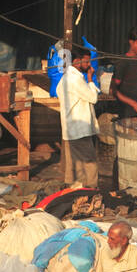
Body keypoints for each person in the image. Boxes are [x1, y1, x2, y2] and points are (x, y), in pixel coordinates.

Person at [58, 44, 99, 187]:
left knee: (74, 166)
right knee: (89, 163)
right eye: (86, 61)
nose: (88, 64)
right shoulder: (75, 79)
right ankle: (92, 191)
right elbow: (93, 98)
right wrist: (91, 79)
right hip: (79, 129)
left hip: (71, 129)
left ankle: (75, 193)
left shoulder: (66, 78)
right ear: (76, 61)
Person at [110, 26, 137, 119]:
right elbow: (113, 90)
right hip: (126, 113)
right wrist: (133, 104)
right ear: (131, 42)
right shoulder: (122, 62)